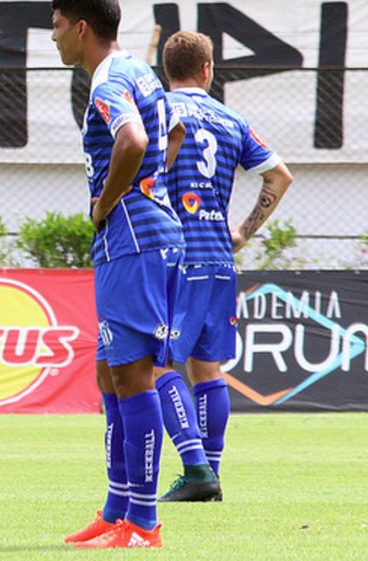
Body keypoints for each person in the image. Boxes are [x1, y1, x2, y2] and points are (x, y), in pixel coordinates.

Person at [51, 0, 183, 549]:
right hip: (139, 236)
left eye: (57, 26)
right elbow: (173, 132)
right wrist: (151, 188)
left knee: (132, 375)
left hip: (133, 239)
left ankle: (144, 523)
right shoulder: (139, 71)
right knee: (109, 373)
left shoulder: (107, 80)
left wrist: (108, 201)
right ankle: (116, 510)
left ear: (81, 28)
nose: (54, 37)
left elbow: (132, 140)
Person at [153, 30, 293, 503]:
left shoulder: (159, 110)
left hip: (174, 255)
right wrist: (244, 231)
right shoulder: (233, 120)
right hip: (218, 255)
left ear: (167, 70)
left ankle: (195, 468)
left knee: (155, 365)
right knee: (207, 369)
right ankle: (209, 475)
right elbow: (279, 176)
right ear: (207, 68)